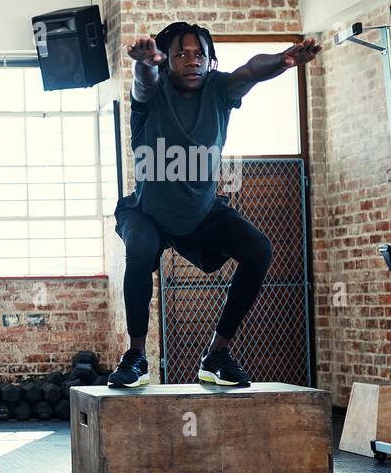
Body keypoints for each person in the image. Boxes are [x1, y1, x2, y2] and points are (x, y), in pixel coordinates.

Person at [108, 23, 321, 388]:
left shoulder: (219, 90)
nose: (192, 61)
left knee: (259, 250)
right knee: (140, 247)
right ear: (165, 62)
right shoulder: (153, 95)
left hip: (202, 211)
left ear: (210, 61)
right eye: (181, 54)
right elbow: (143, 82)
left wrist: (284, 60)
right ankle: (137, 356)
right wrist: (142, 63)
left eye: (199, 55)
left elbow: (250, 71)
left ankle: (216, 355)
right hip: (148, 211)